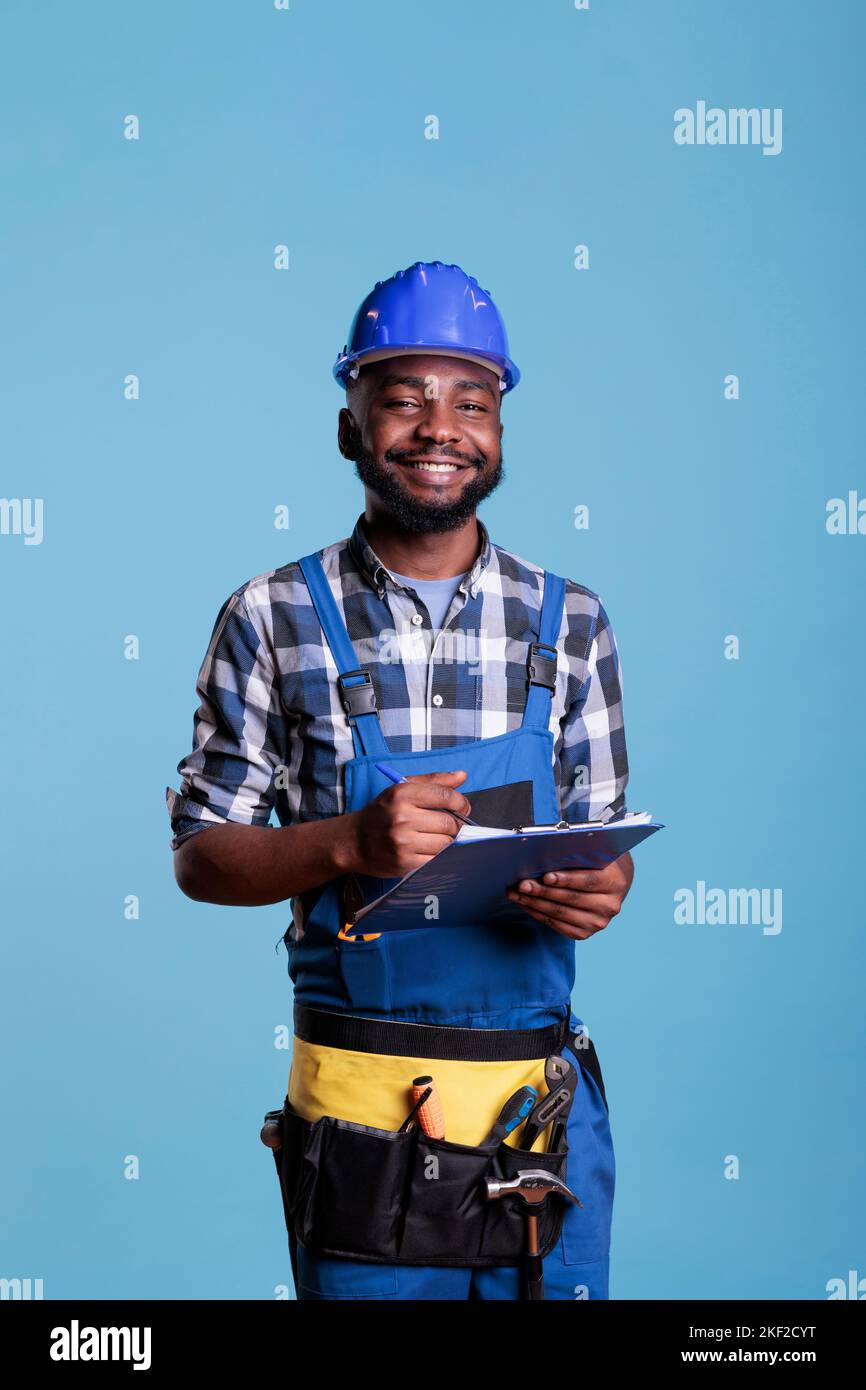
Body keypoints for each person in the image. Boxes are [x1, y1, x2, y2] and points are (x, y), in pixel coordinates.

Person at [167, 260, 634, 1301]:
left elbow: (603, 850)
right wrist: (345, 843)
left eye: (471, 400)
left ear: (500, 429)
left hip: (534, 1125)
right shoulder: (271, 614)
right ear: (348, 425)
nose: (440, 426)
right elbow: (201, 853)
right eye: (404, 398)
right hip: (361, 1127)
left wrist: (600, 890)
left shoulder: (573, 623)